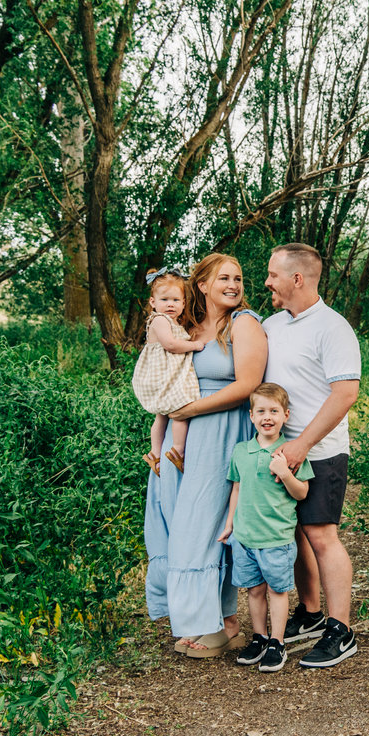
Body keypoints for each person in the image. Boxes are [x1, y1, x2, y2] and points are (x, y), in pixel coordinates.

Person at [144, 253, 267, 658]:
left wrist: (191, 411)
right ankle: (210, 617)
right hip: (182, 434)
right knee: (178, 519)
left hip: (221, 428)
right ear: (202, 285)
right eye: (223, 278)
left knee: (205, 523)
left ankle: (218, 623)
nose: (233, 284)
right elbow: (164, 372)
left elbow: (250, 384)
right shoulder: (187, 325)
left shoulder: (244, 323)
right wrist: (160, 431)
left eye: (238, 277)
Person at [262, 242, 361, 668]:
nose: (267, 282)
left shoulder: (332, 328)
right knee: (295, 534)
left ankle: (341, 630)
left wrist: (302, 444)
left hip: (319, 451)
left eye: (273, 274)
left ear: (297, 279)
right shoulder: (271, 324)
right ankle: (312, 613)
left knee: (321, 535)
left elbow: (345, 393)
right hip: (282, 451)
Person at [217, 383, 314, 673]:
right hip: (245, 537)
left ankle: (277, 642)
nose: (267, 417)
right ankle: (259, 638)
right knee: (254, 590)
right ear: (251, 416)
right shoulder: (241, 451)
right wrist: (230, 524)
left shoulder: (290, 453)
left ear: (285, 415)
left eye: (274, 411)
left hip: (276, 538)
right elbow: (237, 488)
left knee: (276, 590)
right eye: (261, 411)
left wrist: (285, 473)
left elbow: (302, 493)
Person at [132, 269, 207, 476]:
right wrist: (195, 345)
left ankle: (155, 455)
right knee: (180, 412)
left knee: (162, 417)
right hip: (161, 376)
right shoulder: (159, 320)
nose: (170, 304)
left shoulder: (175, 322)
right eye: (164, 299)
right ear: (153, 302)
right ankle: (178, 451)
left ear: (184, 303)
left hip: (168, 375)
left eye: (176, 300)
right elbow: (171, 345)